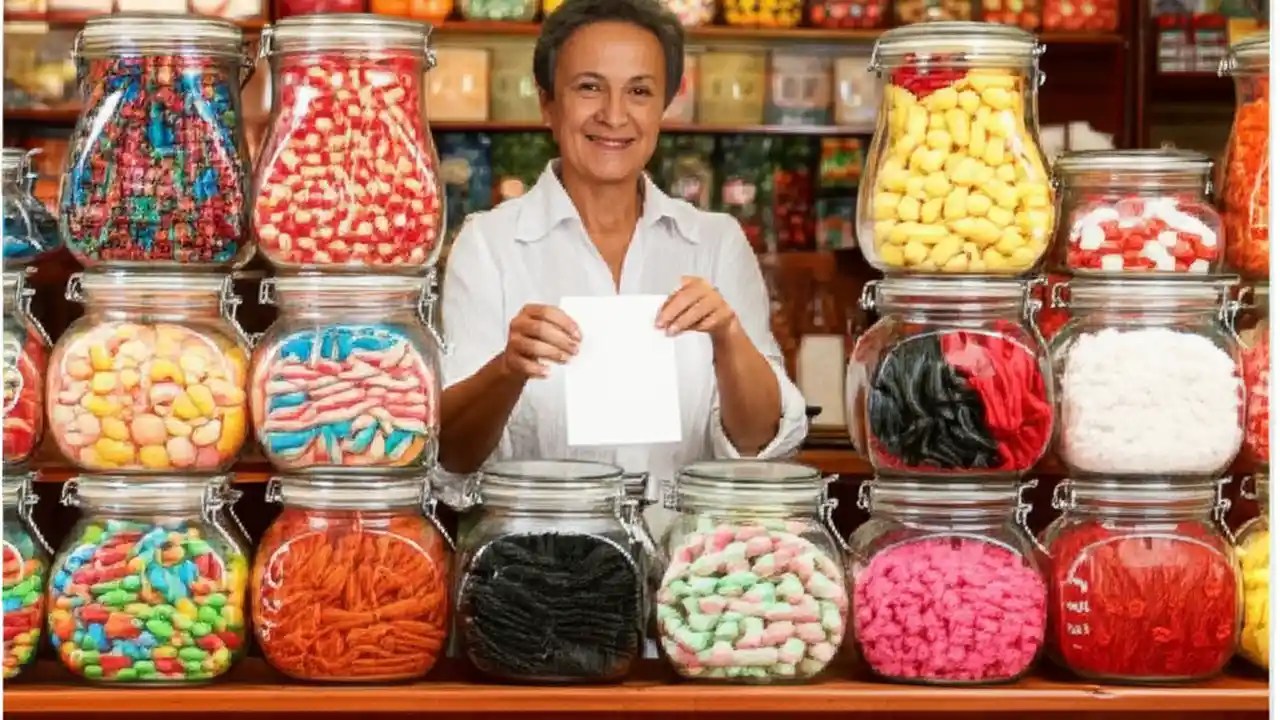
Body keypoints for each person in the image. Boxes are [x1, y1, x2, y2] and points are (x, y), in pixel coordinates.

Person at [438, 0, 808, 487]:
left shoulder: (716, 242)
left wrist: (729, 338)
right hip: (535, 555)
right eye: (589, 87)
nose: (614, 115)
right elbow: (451, 453)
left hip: (687, 556)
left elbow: (760, 444)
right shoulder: (488, 244)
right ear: (548, 103)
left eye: (639, 91)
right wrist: (508, 369)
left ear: (664, 106)